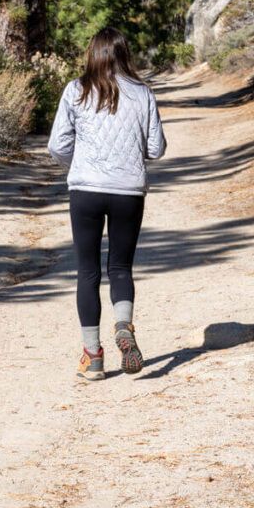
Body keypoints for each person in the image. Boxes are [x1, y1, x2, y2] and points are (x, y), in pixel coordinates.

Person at [47, 27, 167, 381]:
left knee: (87, 272)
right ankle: (123, 325)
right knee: (121, 268)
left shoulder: (76, 89)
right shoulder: (143, 93)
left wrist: (81, 164)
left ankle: (93, 357)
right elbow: (156, 148)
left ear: (93, 54)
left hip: (85, 190)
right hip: (128, 191)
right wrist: (131, 153)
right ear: (123, 54)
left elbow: (57, 145)